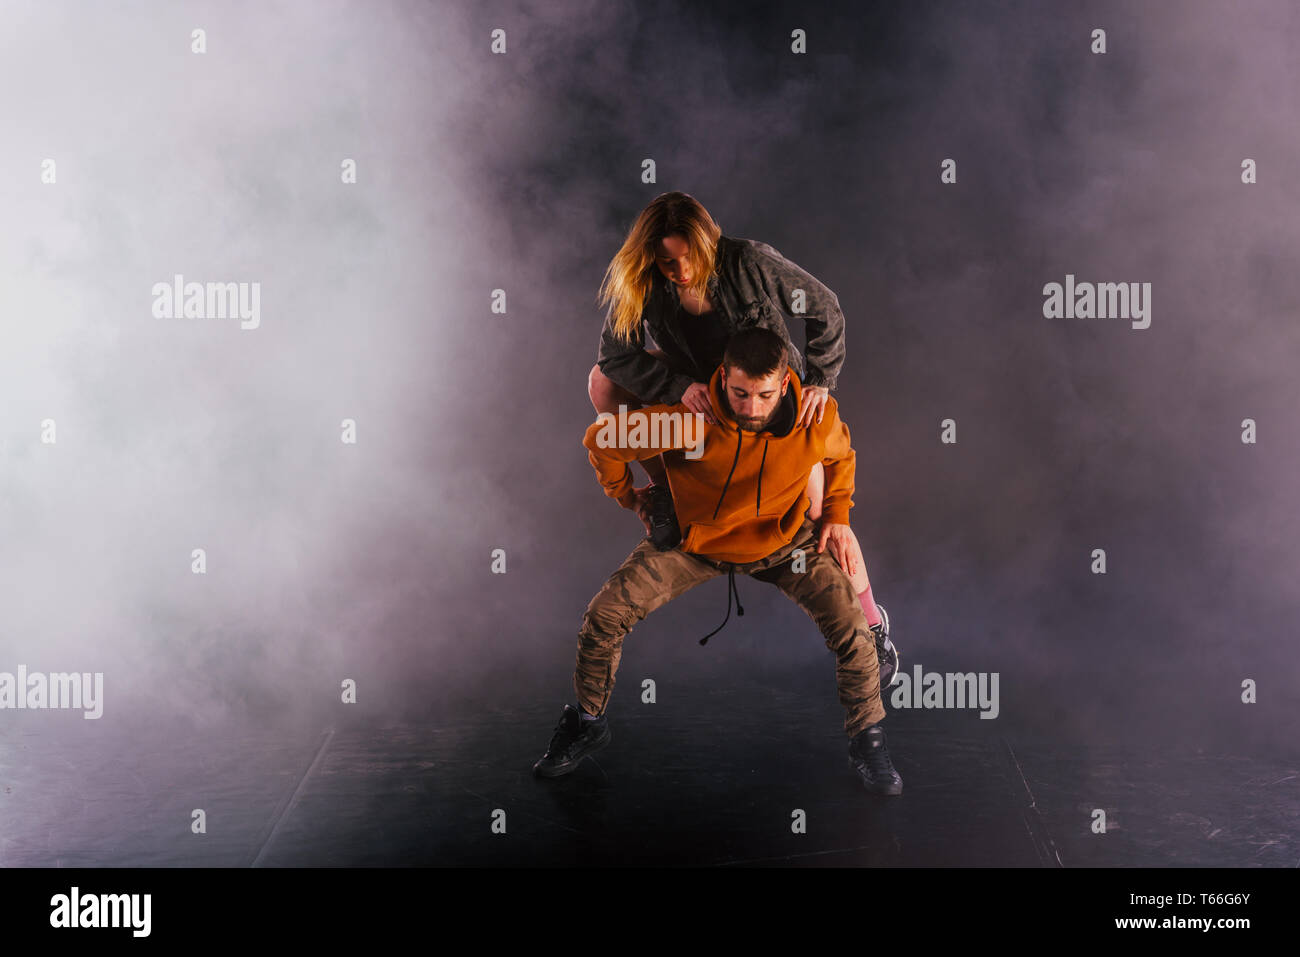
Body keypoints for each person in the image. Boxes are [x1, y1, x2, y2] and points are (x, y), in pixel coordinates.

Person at [536, 327, 903, 795]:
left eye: (765, 395)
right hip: (696, 546)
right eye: (740, 393)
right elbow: (601, 441)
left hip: (783, 547)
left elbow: (841, 454)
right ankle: (588, 722)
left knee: (854, 631)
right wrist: (631, 498)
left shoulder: (814, 418)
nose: (751, 408)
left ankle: (868, 741)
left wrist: (836, 514)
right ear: (723, 378)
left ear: (785, 383)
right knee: (603, 616)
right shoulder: (689, 422)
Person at [588, 190, 899, 686]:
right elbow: (615, 353)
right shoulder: (645, 280)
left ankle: (874, 625)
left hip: (765, 402)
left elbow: (825, 309)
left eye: (688, 257)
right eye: (667, 262)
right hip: (704, 399)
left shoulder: (749, 263)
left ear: (707, 241)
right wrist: (678, 387)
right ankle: (667, 489)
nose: (681, 272)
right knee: (601, 381)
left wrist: (819, 379)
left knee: (824, 514)